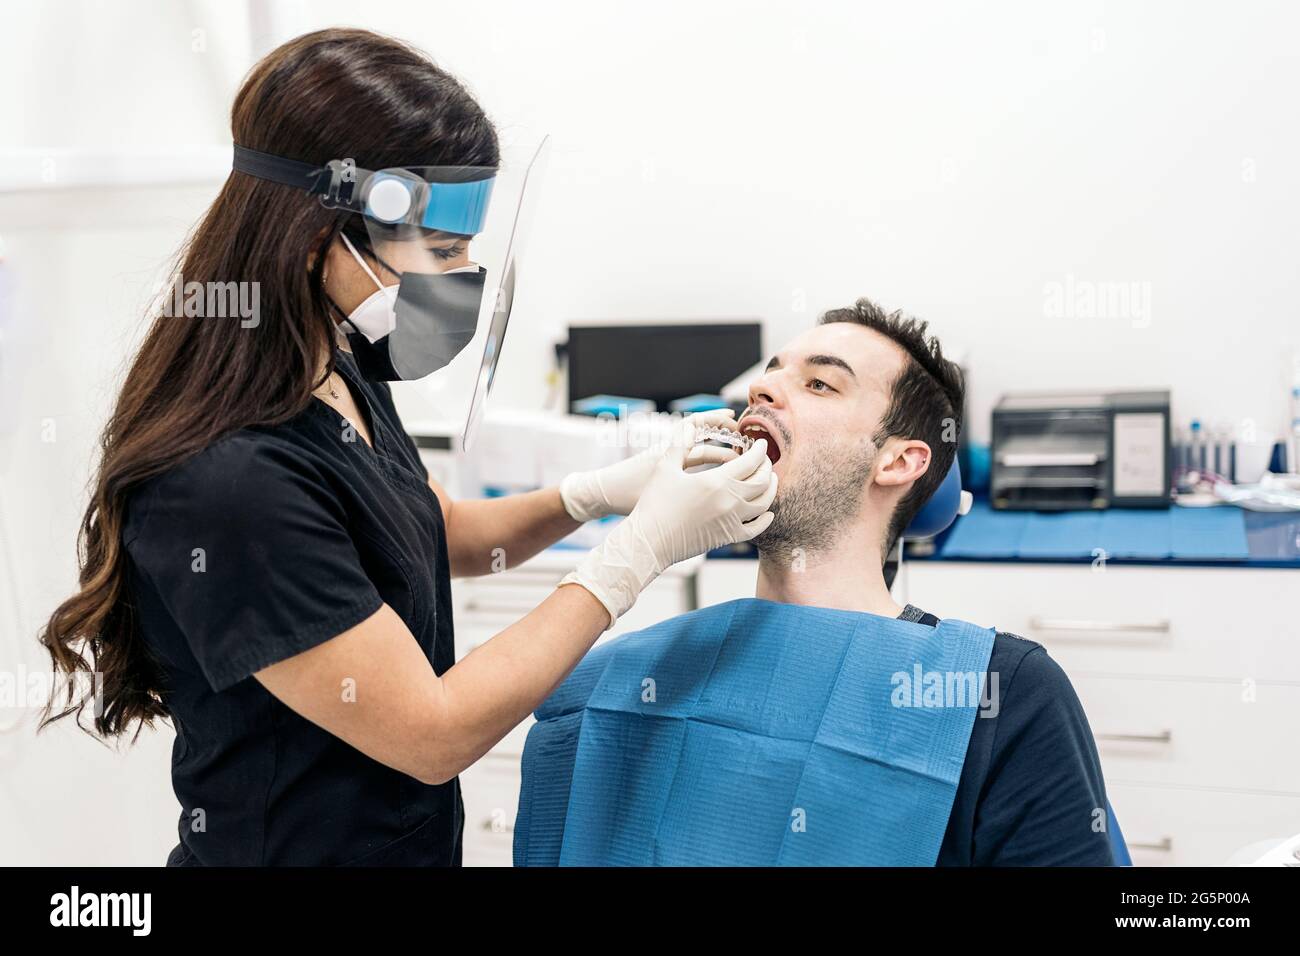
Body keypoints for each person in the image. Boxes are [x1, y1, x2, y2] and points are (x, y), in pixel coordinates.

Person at [36, 28, 776, 866]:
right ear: (321, 241)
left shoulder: (336, 365)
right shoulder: (227, 482)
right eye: (444, 250)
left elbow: (436, 527)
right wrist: (633, 556)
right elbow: (432, 732)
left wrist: (601, 493)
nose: (459, 277)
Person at [517, 297, 1116, 866]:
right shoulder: (600, 685)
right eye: (770, 374)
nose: (760, 389)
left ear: (898, 462)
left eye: (820, 383)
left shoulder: (993, 696)